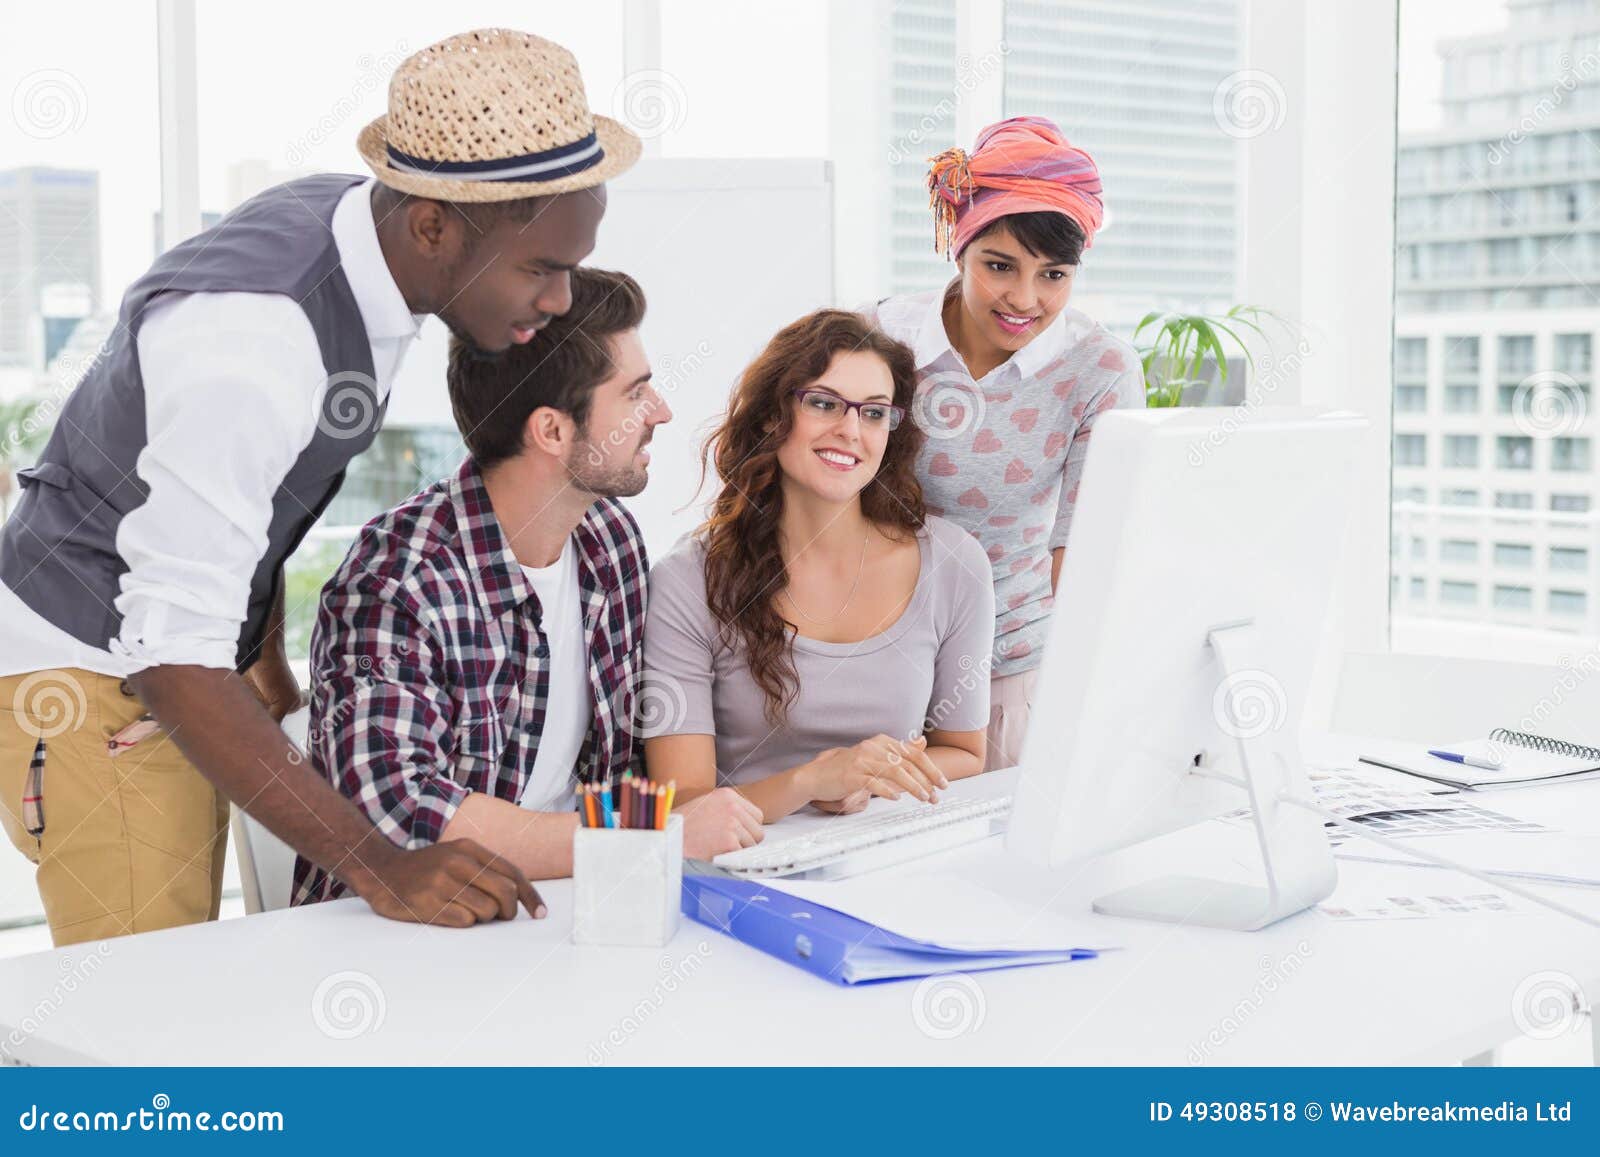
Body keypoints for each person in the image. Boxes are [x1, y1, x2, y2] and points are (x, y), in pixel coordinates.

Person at [0, 29, 637, 944]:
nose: (562, 301)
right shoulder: (257, 341)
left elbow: (252, 494)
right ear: (432, 227)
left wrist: (260, 654)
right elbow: (169, 649)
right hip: (98, 667)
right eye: (542, 268)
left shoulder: (361, 233)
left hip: (164, 652)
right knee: (149, 999)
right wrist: (382, 863)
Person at [293, 269, 762, 904]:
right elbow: (400, 814)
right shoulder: (397, 581)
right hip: (404, 932)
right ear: (551, 431)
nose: (661, 412)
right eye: (635, 394)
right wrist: (650, 837)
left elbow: (626, 765)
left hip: (571, 906)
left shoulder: (609, 541)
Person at [862, 116, 1145, 772]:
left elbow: (1089, 551)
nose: (1025, 298)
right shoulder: (878, 338)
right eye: (999, 266)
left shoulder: (1099, 369)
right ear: (958, 249)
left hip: (1008, 677)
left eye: (1054, 275)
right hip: (871, 663)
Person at [641, 310, 995, 821]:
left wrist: (869, 778)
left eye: (874, 413)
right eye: (824, 404)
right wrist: (810, 782)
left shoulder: (956, 564)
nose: (851, 430)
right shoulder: (687, 580)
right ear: (772, 415)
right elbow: (680, 806)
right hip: (742, 855)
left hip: (887, 847)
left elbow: (964, 751)